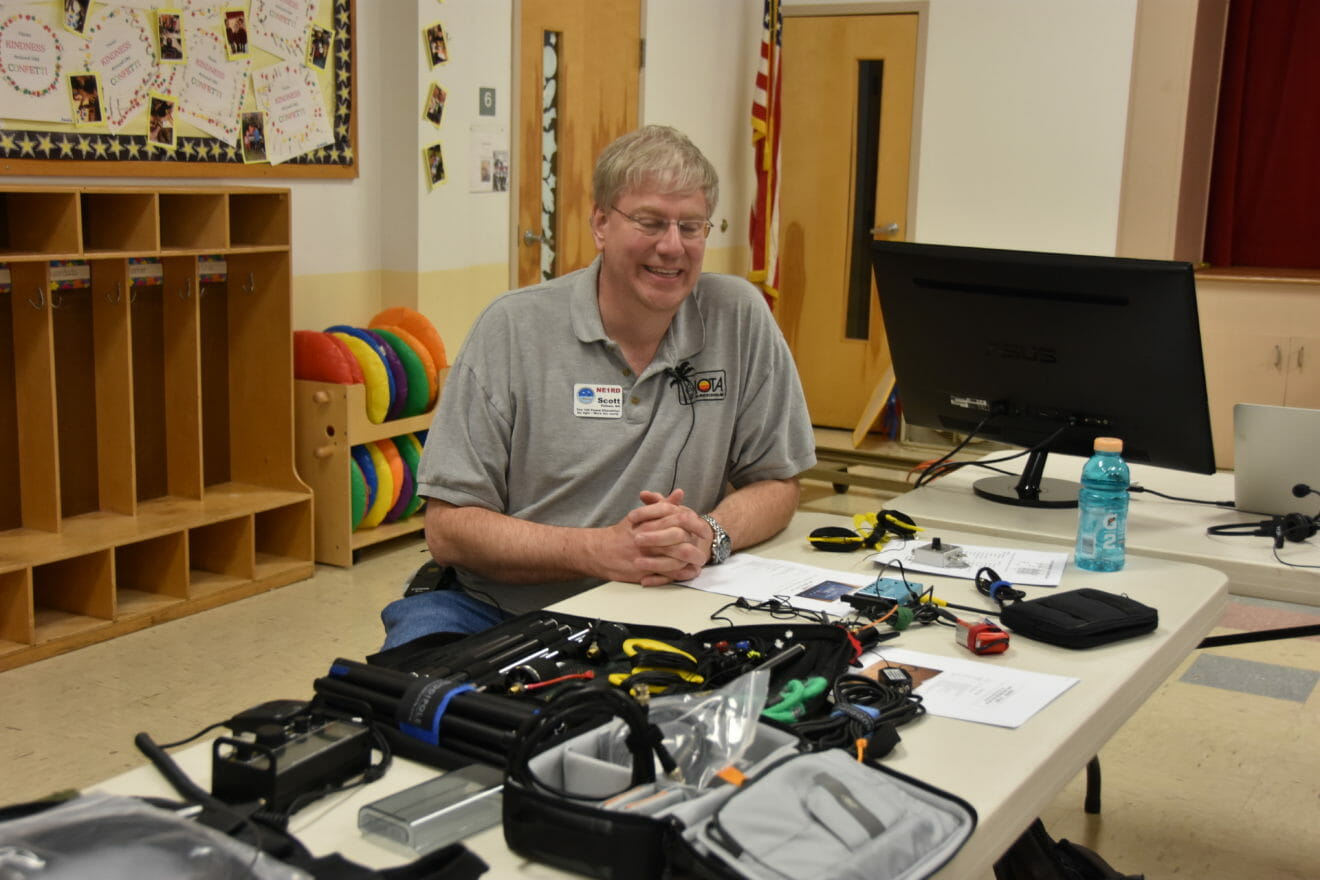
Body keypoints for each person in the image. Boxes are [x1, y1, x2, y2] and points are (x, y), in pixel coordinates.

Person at [380, 124, 816, 649]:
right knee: (412, 707)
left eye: (692, 225)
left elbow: (778, 483)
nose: (673, 246)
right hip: (500, 613)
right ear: (601, 224)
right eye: (650, 222)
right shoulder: (512, 329)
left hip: (667, 606)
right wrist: (598, 551)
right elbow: (448, 530)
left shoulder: (738, 317)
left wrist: (711, 533)